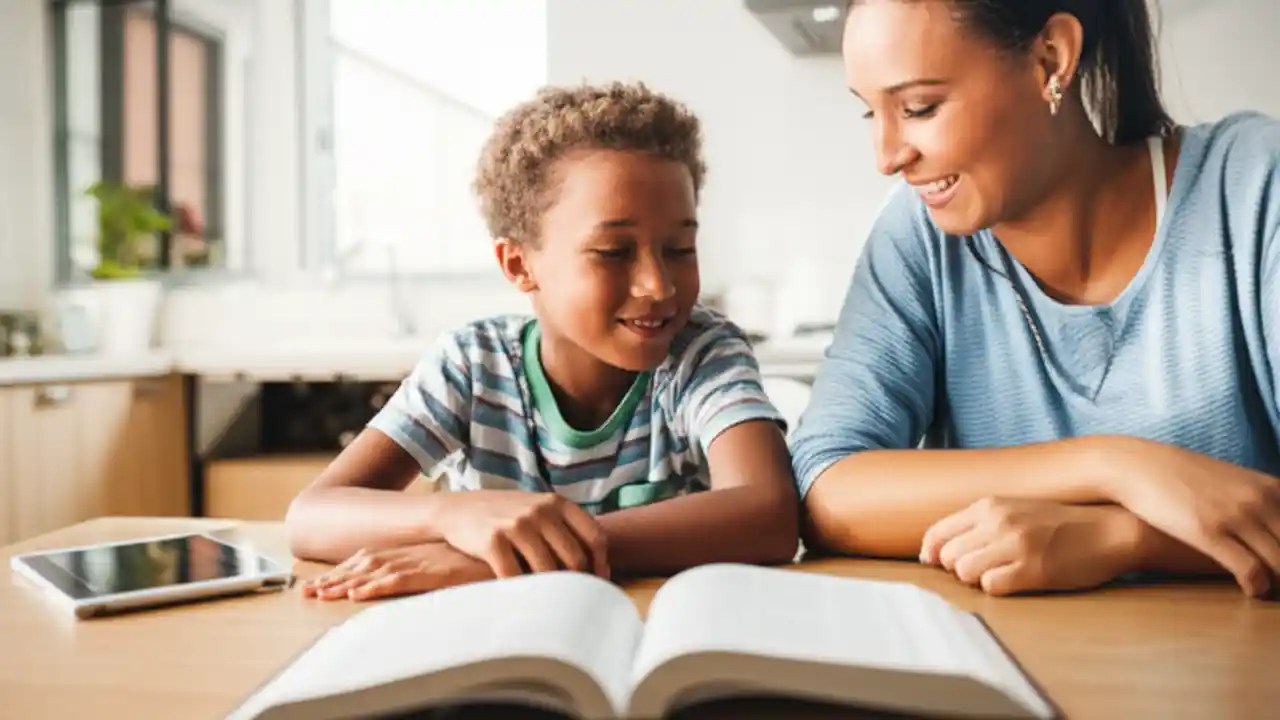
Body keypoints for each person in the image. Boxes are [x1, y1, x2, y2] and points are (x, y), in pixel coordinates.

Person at [791, 0, 1280, 597]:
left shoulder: (1255, 189)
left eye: (919, 108)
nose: (888, 156)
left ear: (1051, 59)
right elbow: (825, 485)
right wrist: (1114, 467)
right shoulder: (919, 240)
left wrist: (1122, 538)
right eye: (872, 112)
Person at [289, 81, 799, 601]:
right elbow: (311, 517)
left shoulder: (701, 355)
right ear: (520, 264)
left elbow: (770, 513)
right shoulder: (471, 365)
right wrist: (454, 515)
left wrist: (511, 559)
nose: (658, 286)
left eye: (680, 247)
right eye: (612, 252)